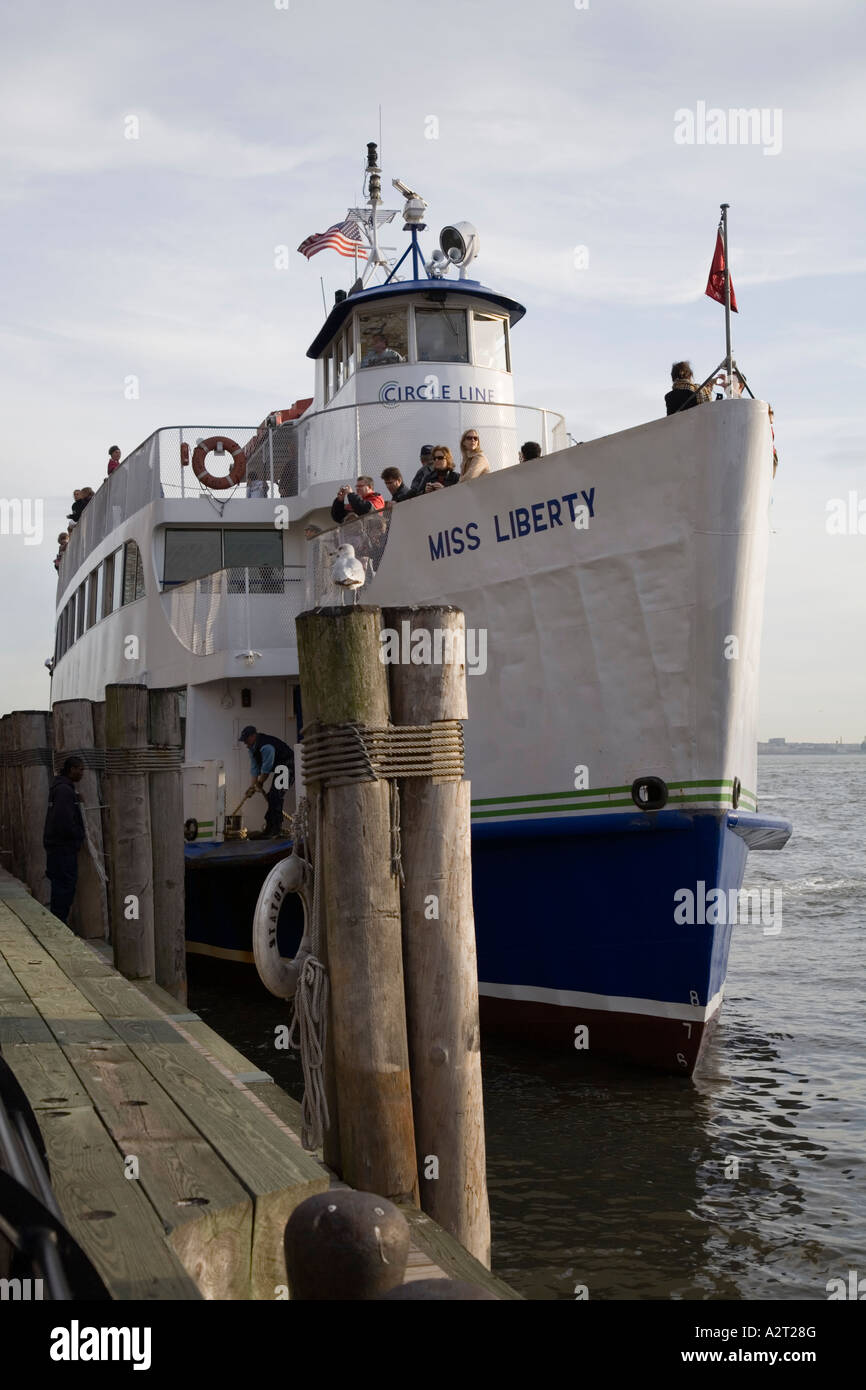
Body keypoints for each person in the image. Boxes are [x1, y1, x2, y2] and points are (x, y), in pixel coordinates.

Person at [43, 756, 86, 923]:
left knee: (60, 886)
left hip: (58, 847)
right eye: (80, 769)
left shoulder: (62, 788)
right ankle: (59, 924)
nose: (82, 773)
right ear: (72, 769)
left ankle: (59, 922)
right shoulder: (64, 791)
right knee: (64, 887)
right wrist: (78, 836)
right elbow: (64, 821)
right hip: (62, 848)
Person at [239, 726, 295, 838]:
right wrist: (252, 787)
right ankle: (270, 829)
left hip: (288, 766)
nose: (245, 743)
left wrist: (259, 783)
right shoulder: (252, 749)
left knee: (276, 796)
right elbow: (255, 769)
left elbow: (266, 769)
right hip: (281, 768)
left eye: (246, 739)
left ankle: (275, 829)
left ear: (253, 736)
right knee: (272, 796)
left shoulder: (266, 747)